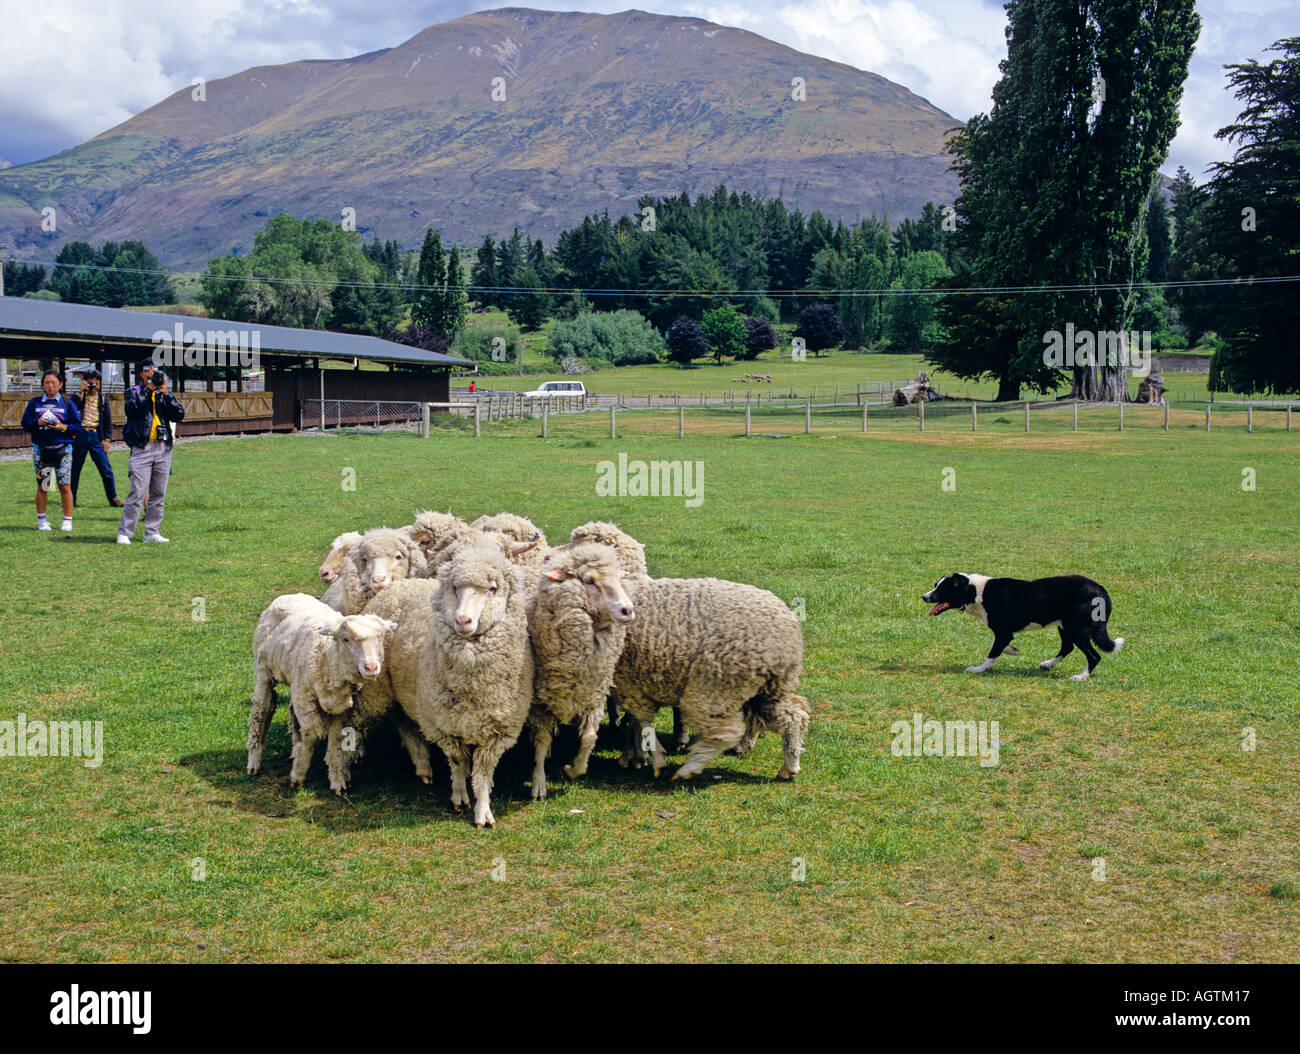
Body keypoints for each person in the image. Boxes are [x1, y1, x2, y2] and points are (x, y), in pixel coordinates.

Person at [117, 368, 185, 545]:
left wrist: (167, 394)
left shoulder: (163, 395)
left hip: (163, 447)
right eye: (150, 374)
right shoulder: (134, 392)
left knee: (158, 492)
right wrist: (148, 390)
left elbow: (179, 414)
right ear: (143, 375)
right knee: (138, 491)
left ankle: (152, 531)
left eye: (156, 375)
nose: (153, 377)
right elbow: (133, 410)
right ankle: (125, 532)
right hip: (142, 447)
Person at [21, 369, 83, 532]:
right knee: (44, 485)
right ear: (42, 384)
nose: (50, 386)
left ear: (60, 384)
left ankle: (67, 520)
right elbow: (25, 423)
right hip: (42, 451)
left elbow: (77, 427)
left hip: (63, 450)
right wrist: (37, 422)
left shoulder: (68, 404)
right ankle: (42, 520)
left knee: (64, 486)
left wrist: (63, 427)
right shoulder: (35, 403)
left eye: (53, 382)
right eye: (47, 382)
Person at [70, 369, 123, 508]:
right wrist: (80, 391)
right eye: (90, 382)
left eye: (96, 383)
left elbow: (108, 421)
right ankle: (71, 499)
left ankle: (113, 498)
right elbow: (70, 406)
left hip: (96, 436)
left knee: (106, 469)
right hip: (80, 434)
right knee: (75, 469)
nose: (94, 386)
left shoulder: (103, 399)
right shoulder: (79, 396)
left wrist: (107, 439)